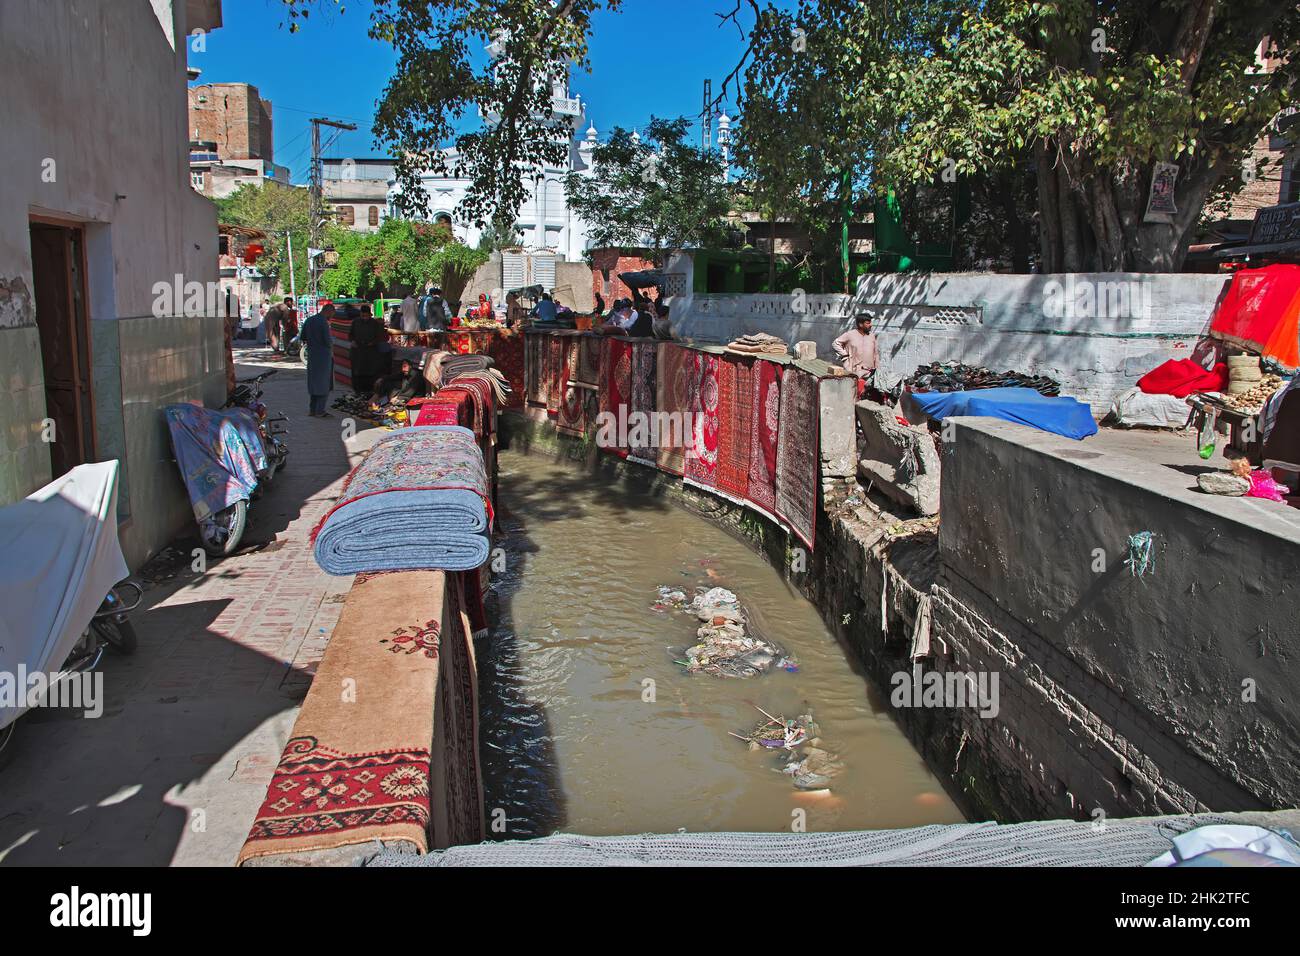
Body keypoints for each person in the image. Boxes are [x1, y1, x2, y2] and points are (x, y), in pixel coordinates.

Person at [832, 310, 879, 397]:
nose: (870, 325)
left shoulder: (872, 336)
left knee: (867, 395)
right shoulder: (850, 334)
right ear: (861, 324)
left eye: (870, 323)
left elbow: (876, 353)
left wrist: (877, 369)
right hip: (854, 370)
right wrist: (845, 356)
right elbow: (836, 343)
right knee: (852, 395)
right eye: (868, 323)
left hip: (869, 372)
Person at [301, 303, 336, 417]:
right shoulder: (323, 323)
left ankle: (312, 409)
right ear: (329, 311)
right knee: (323, 383)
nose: (332, 317)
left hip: (312, 355)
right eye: (332, 314)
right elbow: (327, 340)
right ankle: (320, 410)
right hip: (324, 356)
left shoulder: (309, 320)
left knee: (314, 382)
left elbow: (303, 337)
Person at [349, 303, 384, 394]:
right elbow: (350, 335)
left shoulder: (374, 323)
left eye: (366, 316)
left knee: (370, 371)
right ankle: (358, 390)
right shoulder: (355, 322)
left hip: (370, 351)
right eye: (362, 315)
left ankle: (369, 390)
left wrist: (373, 342)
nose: (364, 317)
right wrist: (353, 341)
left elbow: (379, 337)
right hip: (358, 351)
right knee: (358, 371)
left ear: (369, 315)